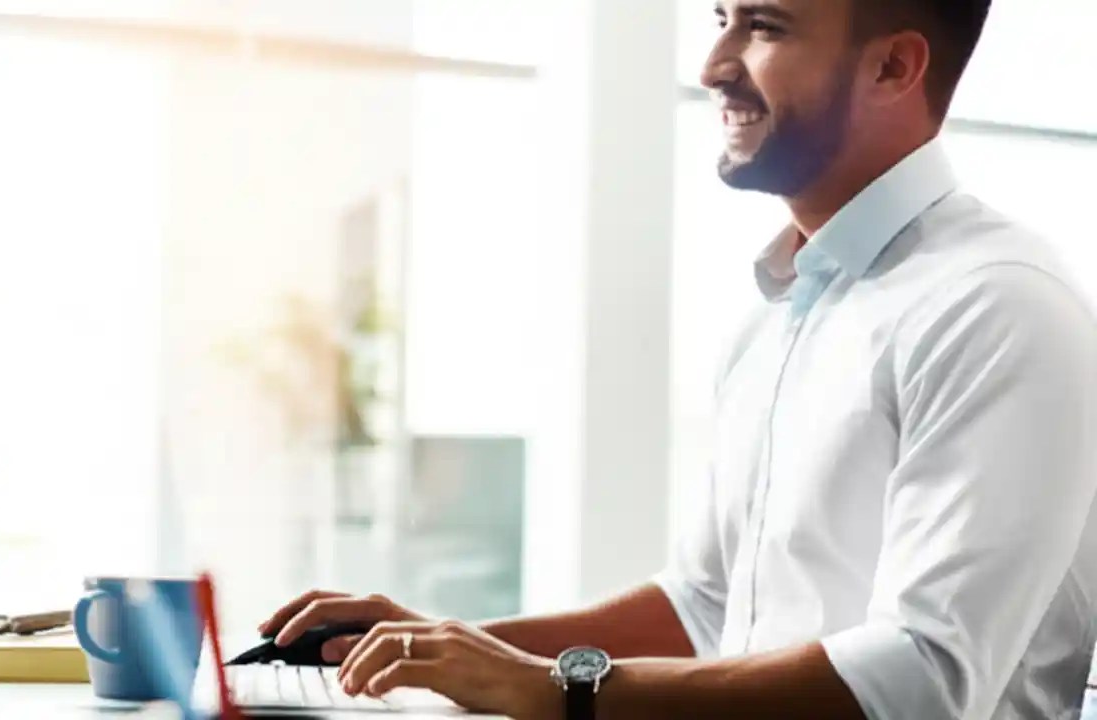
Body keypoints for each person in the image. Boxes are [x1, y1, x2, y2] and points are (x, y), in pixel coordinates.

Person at [259, 1, 1097, 718]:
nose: (714, 64)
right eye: (721, 18)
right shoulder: (781, 314)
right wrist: (438, 647)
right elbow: (704, 608)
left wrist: (560, 691)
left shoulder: (998, 304)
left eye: (764, 26)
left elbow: (922, 679)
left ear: (893, 67)